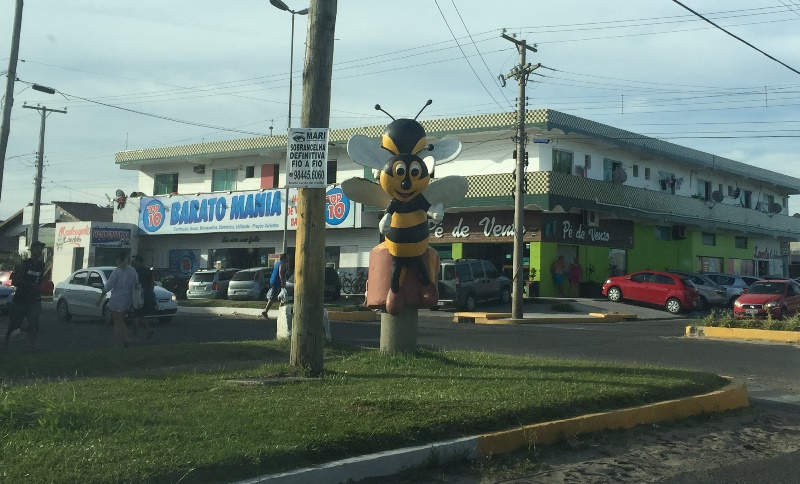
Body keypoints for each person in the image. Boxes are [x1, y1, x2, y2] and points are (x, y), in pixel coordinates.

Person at [3, 241, 46, 351]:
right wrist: (30, 284)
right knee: (15, 323)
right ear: (32, 250)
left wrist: (41, 286)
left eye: (41, 248)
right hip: (21, 298)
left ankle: (32, 346)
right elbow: (15, 280)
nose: (39, 250)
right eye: (37, 248)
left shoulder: (41, 265)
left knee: (34, 324)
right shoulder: (25, 264)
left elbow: (40, 280)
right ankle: (6, 339)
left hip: (34, 299)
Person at [97, 252, 138, 348]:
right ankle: (124, 340)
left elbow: (108, 286)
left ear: (119, 260)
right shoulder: (132, 271)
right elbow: (136, 283)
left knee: (117, 321)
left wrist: (100, 298)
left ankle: (119, 341)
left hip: (117, 298)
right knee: (122, 320)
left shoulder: (116, 272)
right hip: (128, 298)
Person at [130, 255, 156, 342]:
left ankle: (133, 338)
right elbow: (152, 283)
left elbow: (132, 285)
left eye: (133, 262)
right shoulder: (148, 271)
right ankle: (149, 329)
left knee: (135, 316)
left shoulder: (134, 272)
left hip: (138, 297)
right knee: (141, 315)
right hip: (147, 295)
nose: (131, 263)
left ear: (138, 262)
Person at [261, 254, 288, 319]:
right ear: (284, 258)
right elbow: (280, 273)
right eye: (287, 258)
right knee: (273, 297)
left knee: (282, 297)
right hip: (277, 282)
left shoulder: (277, 263)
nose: (288, 259)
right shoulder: (283, 264)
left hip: (273, 281)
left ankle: (281, 312)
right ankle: (265, 311)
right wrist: (282, 282)